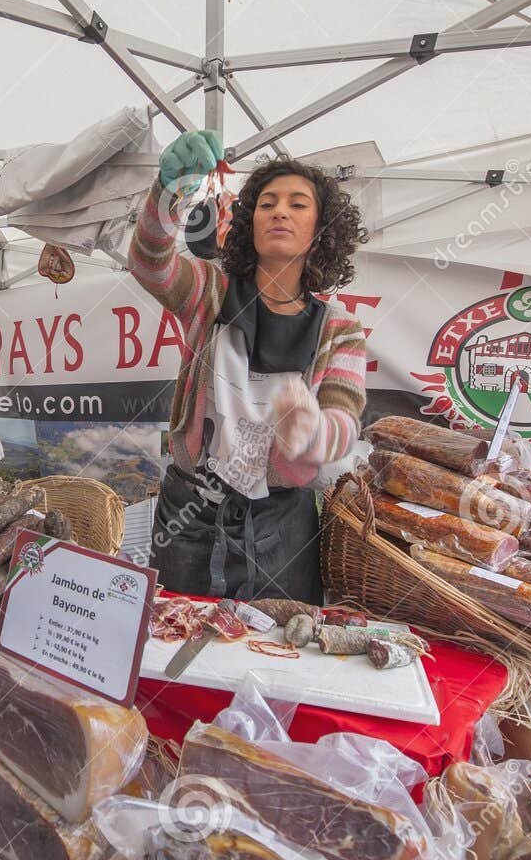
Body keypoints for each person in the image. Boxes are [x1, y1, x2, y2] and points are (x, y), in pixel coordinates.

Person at [130, 130, 368, 604]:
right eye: (266, 203)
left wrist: (313, 433)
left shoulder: (339, 329)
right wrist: (168, 192)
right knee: (177, 637)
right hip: (190, 513)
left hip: (282, 525)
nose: (280, 210)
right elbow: (149, 263)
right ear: (249, 221)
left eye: (298, 204)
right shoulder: (210, 291)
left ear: (323, 228)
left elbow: (345, 418)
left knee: (274, 652)